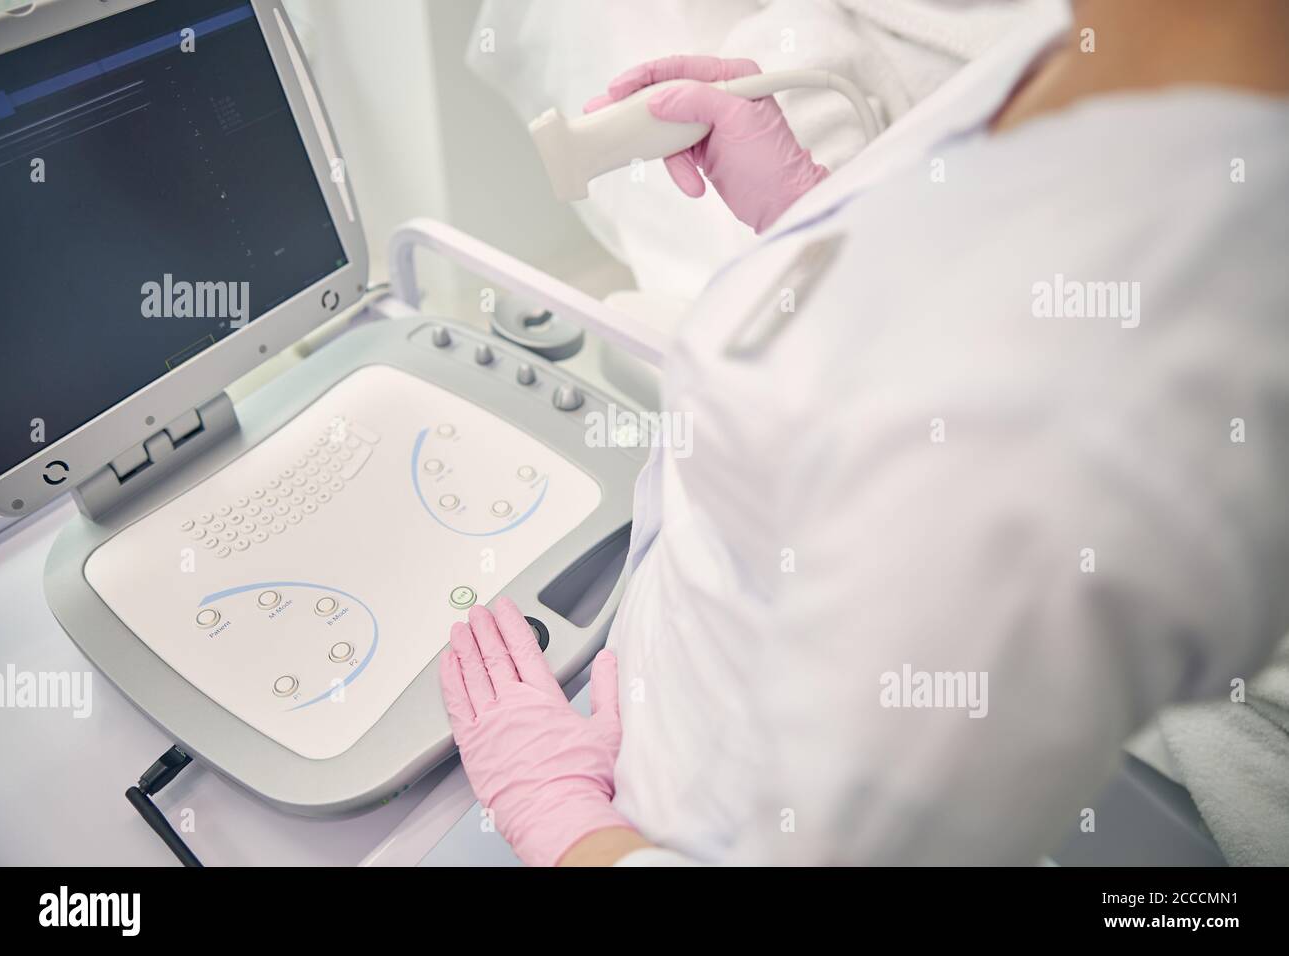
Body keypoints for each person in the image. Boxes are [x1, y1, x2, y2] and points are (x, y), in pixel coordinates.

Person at [439, 0, 1289, 866]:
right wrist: (818, 226)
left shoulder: (1105, 396)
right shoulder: (1116, 40)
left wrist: (562, 824)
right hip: (676, 700)